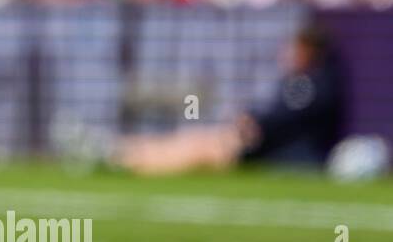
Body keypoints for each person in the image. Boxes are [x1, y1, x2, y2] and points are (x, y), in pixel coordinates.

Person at [114, 25, 342, 174]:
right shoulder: (307, 81)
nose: (289, 54)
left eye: (296, 49)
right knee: (198, 139)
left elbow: (281, 119)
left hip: (281, 154)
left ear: (308, 51)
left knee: (201, 148)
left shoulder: (313, 83)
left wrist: (252, 122)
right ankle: (131, 153)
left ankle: (136, 161)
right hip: (261, 144)